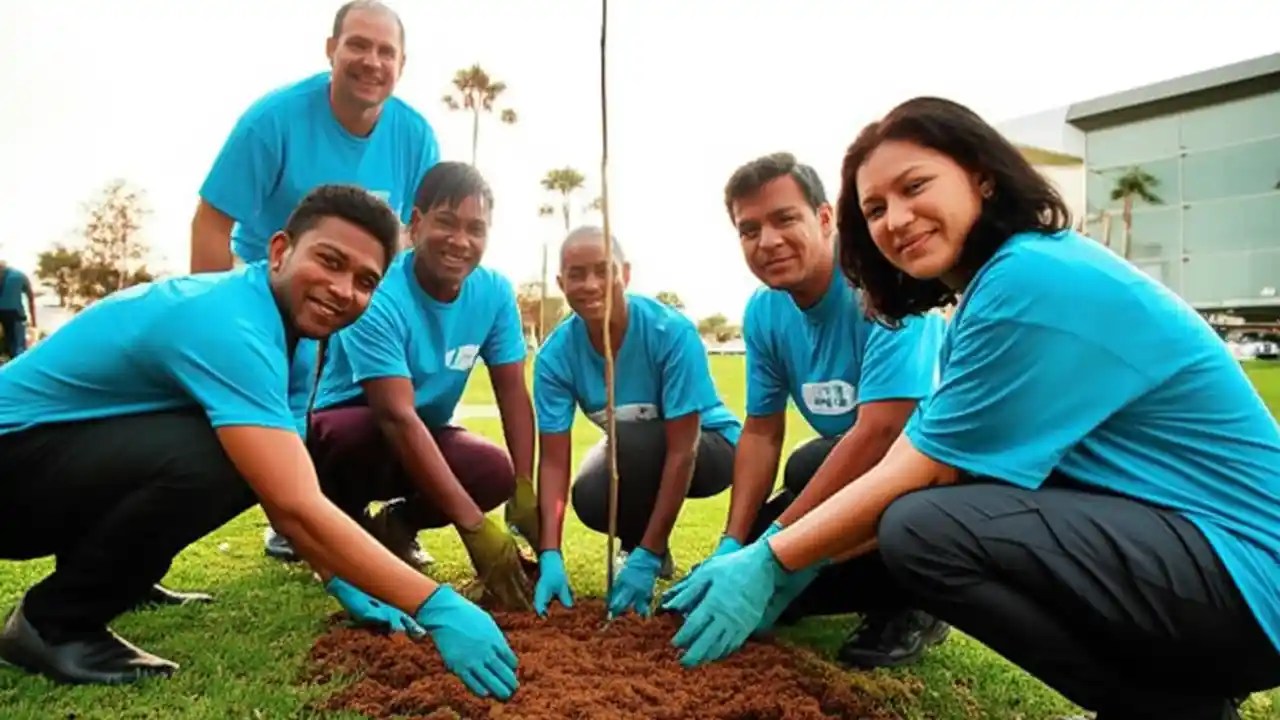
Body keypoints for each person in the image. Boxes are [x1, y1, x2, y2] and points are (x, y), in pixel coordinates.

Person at [663, 97, 1280, 720]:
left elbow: (925, 468)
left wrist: (772, 558)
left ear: (981, 176)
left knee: (923, 530)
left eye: (915, 186)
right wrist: (779, 555)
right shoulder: (991, 289)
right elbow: (916, 453)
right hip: (1199, 564)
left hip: (1248, 574)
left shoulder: (1027, 278)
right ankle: (1178, 688)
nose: (896, 220)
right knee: (895, 516)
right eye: (875, 209)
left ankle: (1165, 709)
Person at [0, 185, 518, 701]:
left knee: (256, 459)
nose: (343, 290)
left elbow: (287, 484)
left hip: (52, 463)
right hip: (14, 467)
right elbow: (295, 503)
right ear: (278, 251)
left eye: (365, 281)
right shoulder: (230, 322)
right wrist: (437, 605)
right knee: (221, 458)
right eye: (330, 261)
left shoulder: (292, 339)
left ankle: (118, 577)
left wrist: (338, 578)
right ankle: (55, 623)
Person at [190, 0, 441, 563]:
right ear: (331, 50)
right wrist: (215, 325)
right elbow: (212, 219)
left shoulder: (415, 135)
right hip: (273, 297)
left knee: (379, 410)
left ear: (402, 63)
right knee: (249, 421)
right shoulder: (273, 120)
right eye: (358, 44)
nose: (371, 61)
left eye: (386, 51)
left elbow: (413, 232)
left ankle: (367, 519)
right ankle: (289, 520)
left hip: (360, 298)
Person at [682, 152, 947, 668]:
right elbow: (760, 432)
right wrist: (735, 544)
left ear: (825, 219)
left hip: (934, 472)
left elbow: (883, 431)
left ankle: (915, 604)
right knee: (802, 477)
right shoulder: (765, 310)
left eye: (785, 219)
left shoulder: (885, 283)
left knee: (811, 543)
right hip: (861, 463)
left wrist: (776, 550)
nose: (768, 241)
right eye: (749, 229)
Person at [309, 162, 539, 609]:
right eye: (446, 222)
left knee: (493, 470)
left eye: (476, 228)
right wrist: (474, 527)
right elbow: (393, 415)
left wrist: (525, 487)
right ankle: (339, 525)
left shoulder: (492, 293)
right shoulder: (379, 288)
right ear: (415, 224)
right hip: (346, 432)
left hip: (421, 431)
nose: (460, 241)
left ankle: (396, 526)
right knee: (360, 435)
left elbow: (512, 391)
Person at [531, 227, 742, 619]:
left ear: (625, 274)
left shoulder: (671, 333)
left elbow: (683, 450)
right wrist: (550, 552)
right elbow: (554, 462)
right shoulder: (555, 358)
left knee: (629, 441)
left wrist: (648, 552)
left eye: (603, 270)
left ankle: (646, 551)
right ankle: (643, 546)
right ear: (561, 282)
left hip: (711, 447)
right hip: (636, 451)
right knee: (591, 494)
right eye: (577, 274)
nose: (590, 284)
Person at [0, 260, 36, 360]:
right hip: (15, 314)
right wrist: (34, 321)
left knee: (10, 343)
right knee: (18, 346)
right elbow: (31, 298)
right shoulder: (19, 275)